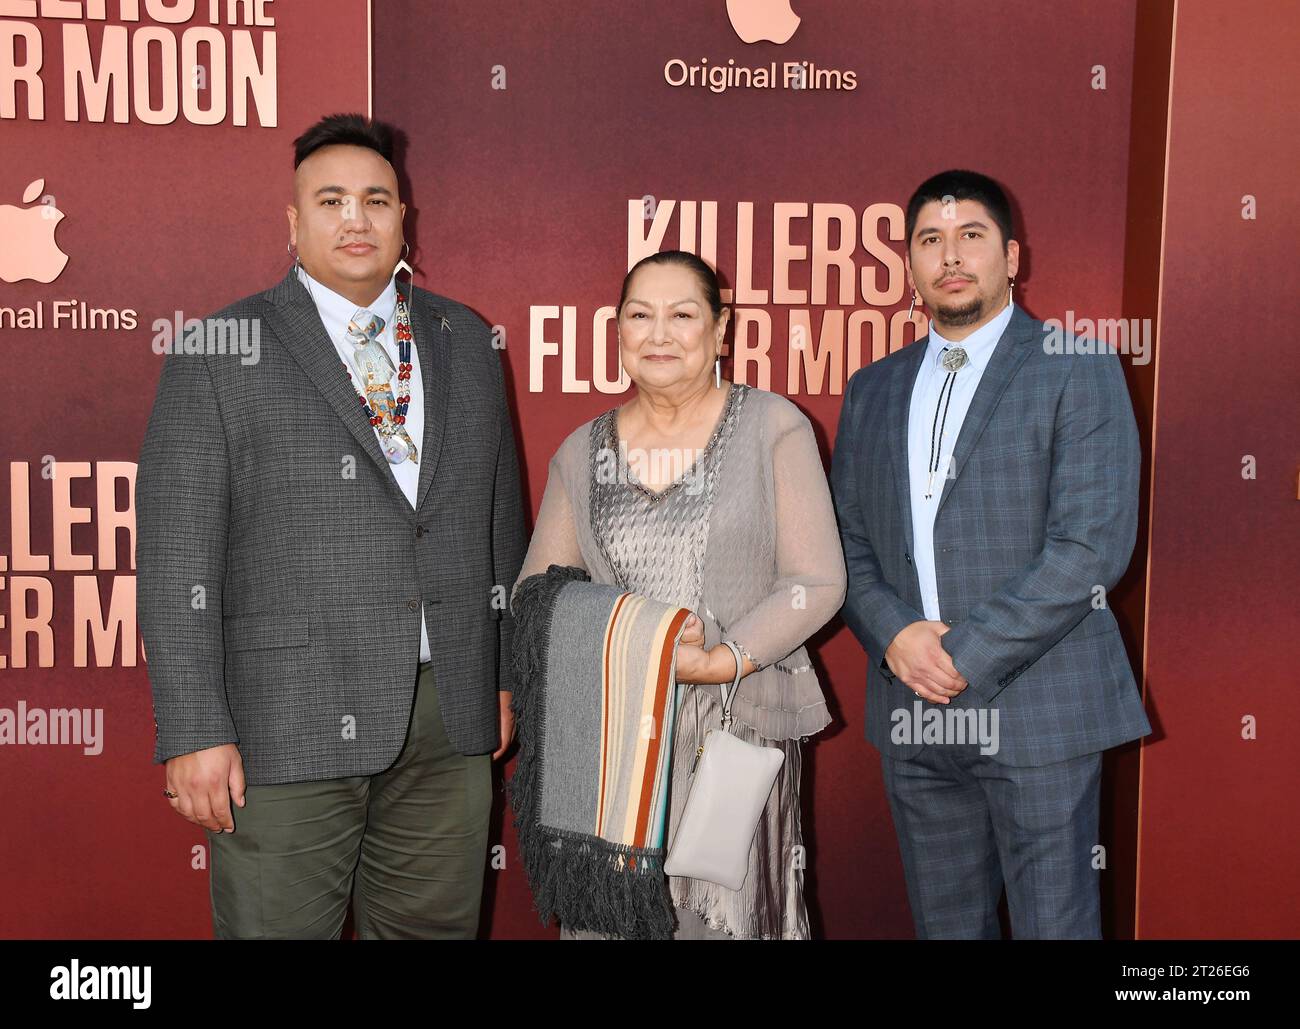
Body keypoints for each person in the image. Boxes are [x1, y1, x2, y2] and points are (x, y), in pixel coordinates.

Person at [136, 113, 525, 939]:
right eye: (332, 199)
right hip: (285, 719)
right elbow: (177, 557)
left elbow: (500, 520)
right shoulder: (218, 349)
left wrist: (501, 674)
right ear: (293, 222)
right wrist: (194, 726)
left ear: (404, 218)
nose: (357, 219)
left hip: (446, 717)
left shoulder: (467, 341)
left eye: (377, 200)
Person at [831, 169, 1150, 939]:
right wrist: (898, 638)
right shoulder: (872, 388)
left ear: (1012, 256)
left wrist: (964, 652)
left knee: (1055, 926)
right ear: (908, 263)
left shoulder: (1079, 366)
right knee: (946, 928)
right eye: (930, 241)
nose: (950, 256)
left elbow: (1090, 548)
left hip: (1039, 710)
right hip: (914, 710)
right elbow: (845, 537)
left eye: (971, 237)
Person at [513, 250, 846, 939]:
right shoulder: (583, 451)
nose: (659, 332)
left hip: (735, 724)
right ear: (618, 331)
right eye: (640, 315)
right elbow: (533, 597)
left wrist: (721, 659)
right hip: (613, 745)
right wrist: (634, 642)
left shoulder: (773, 426)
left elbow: (816, 581)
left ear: (721, 331)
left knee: (721, 922)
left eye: (683, 314)